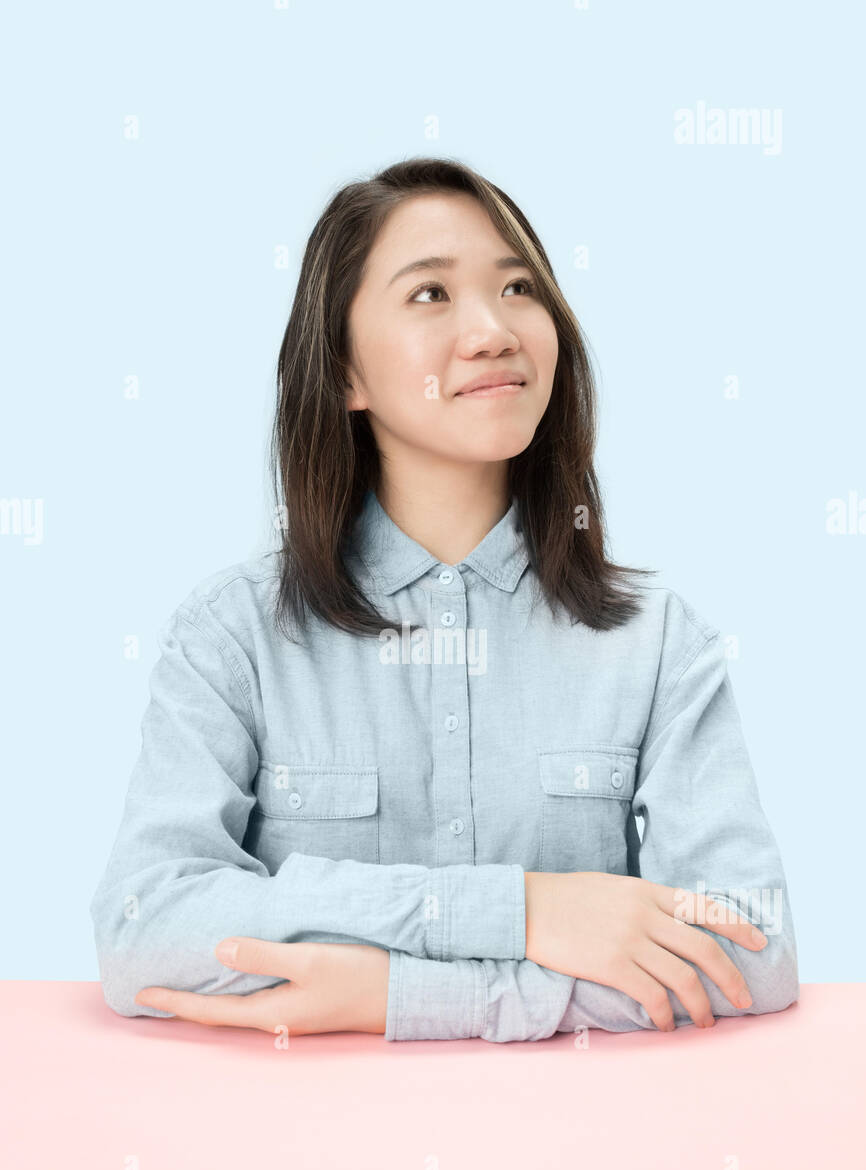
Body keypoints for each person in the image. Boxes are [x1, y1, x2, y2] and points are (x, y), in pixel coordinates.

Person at [90, 156, 799, 1042]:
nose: (493, 330)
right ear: (344, 371)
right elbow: (144, 928)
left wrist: (390, 996)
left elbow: (752, 951)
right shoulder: (233, 636)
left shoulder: (657, 645)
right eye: (431, 294)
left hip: (587, 1154)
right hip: (295, 1158)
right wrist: (530, 912)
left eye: (517, 289)